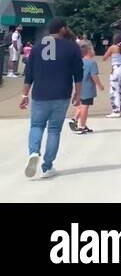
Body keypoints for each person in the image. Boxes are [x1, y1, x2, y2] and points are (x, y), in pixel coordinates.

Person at [20, 19, 83, 179]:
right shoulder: (72, 46)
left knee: (36, 125)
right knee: (54, 130)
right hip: (62, 94)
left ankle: (34, 152)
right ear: (62, 29)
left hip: (40, 94)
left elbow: (29, 73)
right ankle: (47, 166)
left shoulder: (37, 46)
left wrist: (24, 94)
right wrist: (78, 93)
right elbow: (78, 72)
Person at [69, 41, 104, 135]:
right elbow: (94, 76)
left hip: (79, 86)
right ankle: (82, 126)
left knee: (81, 105)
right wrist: (100, 85)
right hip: (88, 87)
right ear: (89, 51)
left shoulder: (79, 61)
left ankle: (75, 119)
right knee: (85, 107)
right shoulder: (92, 63)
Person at [102, 34, 121, 118]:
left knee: (114, 89)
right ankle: (120, 108)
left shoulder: (112, 47)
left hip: (116, 68)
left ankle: (115, 110)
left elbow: (104, 58)